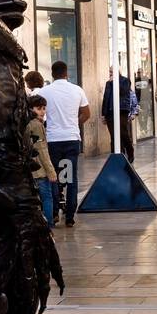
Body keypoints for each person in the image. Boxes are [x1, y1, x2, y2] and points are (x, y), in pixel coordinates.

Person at [41, 60, 90, 226]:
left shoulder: (44, 92)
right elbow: (86, 113)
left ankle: (54, 212)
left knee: (53, 176)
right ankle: (69, 216)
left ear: (53, 74)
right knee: (71, 178)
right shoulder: (77, 90)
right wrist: (74, 123)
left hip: (53, 140)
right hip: (71, 139)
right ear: (66, 73)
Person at [26, 94, 57, 226]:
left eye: (44, 108)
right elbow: (42, 150)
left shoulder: (27, 123)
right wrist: (51, 172)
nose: (43, 112)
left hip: (29, 169)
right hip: (39, 170)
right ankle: (48, 225)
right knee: (47, 198)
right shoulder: (37, 125)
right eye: (39, 108)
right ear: (31, 109)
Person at [101, 68, 136, 163]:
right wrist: (103, 114)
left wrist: (115, 82)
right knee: (113, 135)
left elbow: (123, 91)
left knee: (123, 132)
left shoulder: (125, 80)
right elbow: (106, 97)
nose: (110, 73)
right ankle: (116, 156)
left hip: (121, 110)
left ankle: (130, 151)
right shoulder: (108, 83)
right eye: (109, 72)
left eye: (112, 72)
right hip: (110, 112)